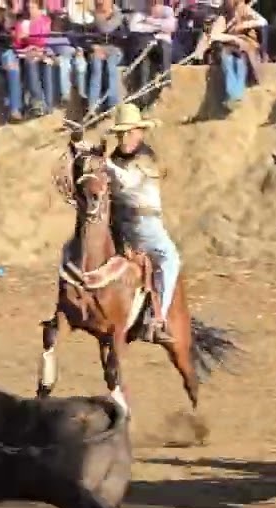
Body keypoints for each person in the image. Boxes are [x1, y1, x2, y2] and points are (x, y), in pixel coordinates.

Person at [104, 103, 181, 343]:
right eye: (121, 133)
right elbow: (122, 184)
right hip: (141, 226)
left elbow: (126, 182)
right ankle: (157, 320)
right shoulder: (132, 158)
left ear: (139, 132)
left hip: (128, 226)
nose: (124, 137)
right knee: (170, 258)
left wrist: (104, 163)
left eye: (128, 132)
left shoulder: (141, 158)